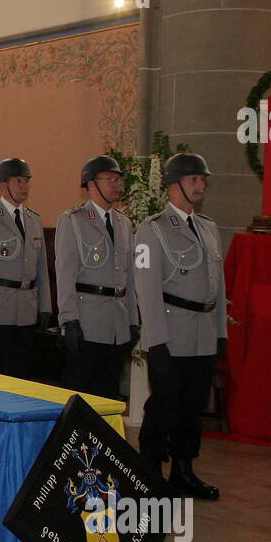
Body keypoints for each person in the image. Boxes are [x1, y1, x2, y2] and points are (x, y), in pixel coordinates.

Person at [133, 153, 227, 501]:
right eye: (193, 180)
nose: (201, 186)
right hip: (171, 334)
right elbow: (146, 287)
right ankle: (150, 474)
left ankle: (184, 471)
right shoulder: (151, 229)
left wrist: (221, 332)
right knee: (163, 407)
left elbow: (218, 285)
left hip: (203, 333)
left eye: (203, 180)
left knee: (192, 409)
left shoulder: (208, 227)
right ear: (174, 185)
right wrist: (156, 341)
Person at [55, 155, 138, 400]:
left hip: (117, 325)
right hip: (87, 323)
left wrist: (133, 321)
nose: (116, 184)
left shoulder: (124, 223)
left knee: (108, 396)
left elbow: (129, 277)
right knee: (78, 394)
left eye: (118, 179)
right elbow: (65, 274)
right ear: (91, 185)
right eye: (109, 179)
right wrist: (69, 320)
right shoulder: (73, 221)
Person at [0, 158, 52, 379]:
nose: (24, 186)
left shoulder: (34, 219)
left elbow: (41, 268)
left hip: (27, 311)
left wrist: (45, 307)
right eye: (18, 181)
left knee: (21, 374)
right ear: (3, 185)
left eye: (26, 181)